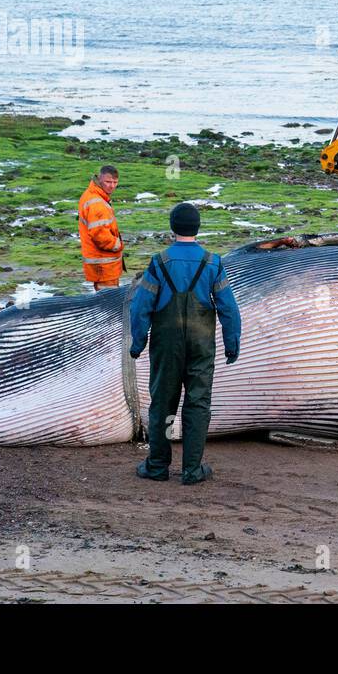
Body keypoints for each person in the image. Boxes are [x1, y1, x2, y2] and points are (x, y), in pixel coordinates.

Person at [129, 203, 241, 485]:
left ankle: (157, 465)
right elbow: (229, 307)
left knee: (163, 405)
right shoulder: (213, 263)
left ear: (172, 227)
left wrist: (138, 341)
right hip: (201, 345)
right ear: (198, 227)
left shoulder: (158, 262)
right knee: (198, 404)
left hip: (167, 346)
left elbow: (141, 307)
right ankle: (192, 470)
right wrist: (232, 342)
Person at [78, 165, 124, 289]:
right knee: (109, 304)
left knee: (105, 303)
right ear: (99, 179)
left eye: (115, 182)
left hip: (102, 264)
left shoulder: (92, 195)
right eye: (108, 182)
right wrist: (117, 245)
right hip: (104, 266)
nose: (112, 186)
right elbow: (100, 236)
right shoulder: (96, 203)